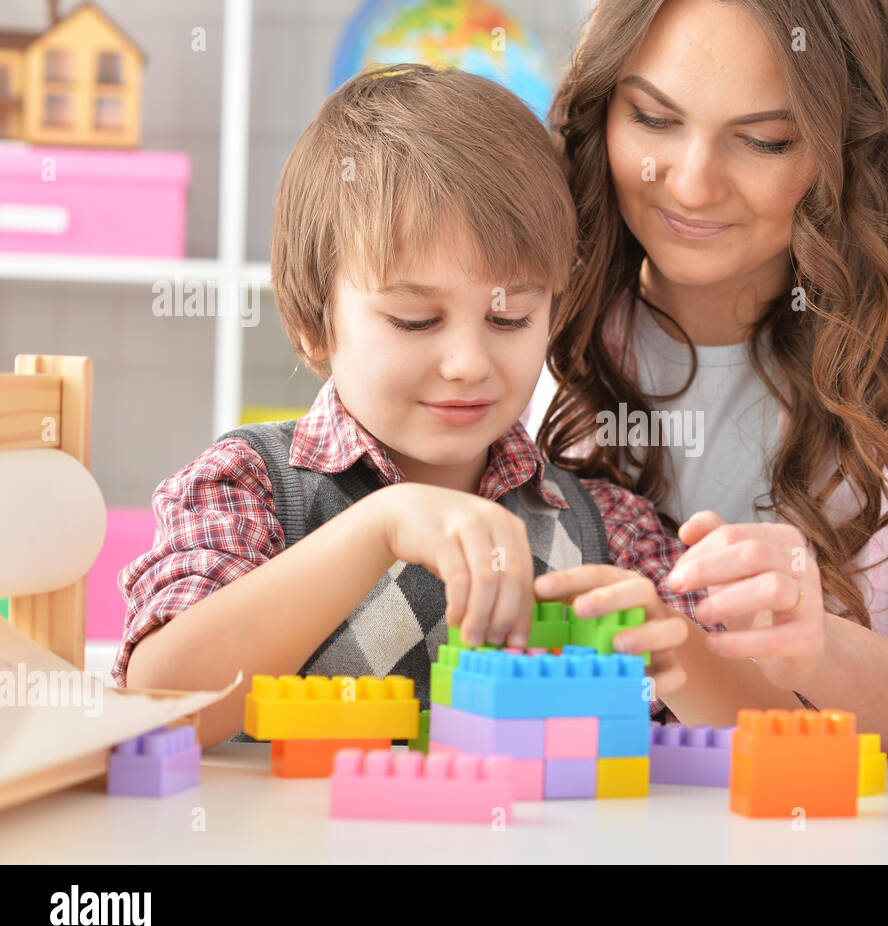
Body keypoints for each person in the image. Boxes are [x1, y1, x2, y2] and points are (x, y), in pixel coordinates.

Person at [534, 0, 888, 755]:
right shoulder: (520, 310)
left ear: (850, 140)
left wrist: (822, 649)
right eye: (653, 119)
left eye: (765, 140)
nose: (691, 184)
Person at [115, 65, 704, 747]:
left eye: (509, 317)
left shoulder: (605, 529)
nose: (468, 363)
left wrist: (681, 652)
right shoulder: (249, 488)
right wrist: (380, 526)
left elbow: (747, 729)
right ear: (313, 323)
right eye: (416, 320)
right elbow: (158, 707)